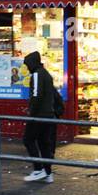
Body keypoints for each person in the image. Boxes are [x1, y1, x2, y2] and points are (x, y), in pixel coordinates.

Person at [22, 50, 59, 183]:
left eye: (27, 65)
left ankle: (38, 169)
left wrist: (31, 111)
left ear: (32, 63)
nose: (27, 68)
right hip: (48, 114)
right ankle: (48, 173)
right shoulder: (46, 74)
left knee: (28, 140)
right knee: (44, 143)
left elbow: (36, 95)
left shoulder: (37, 74)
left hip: (38, 115)